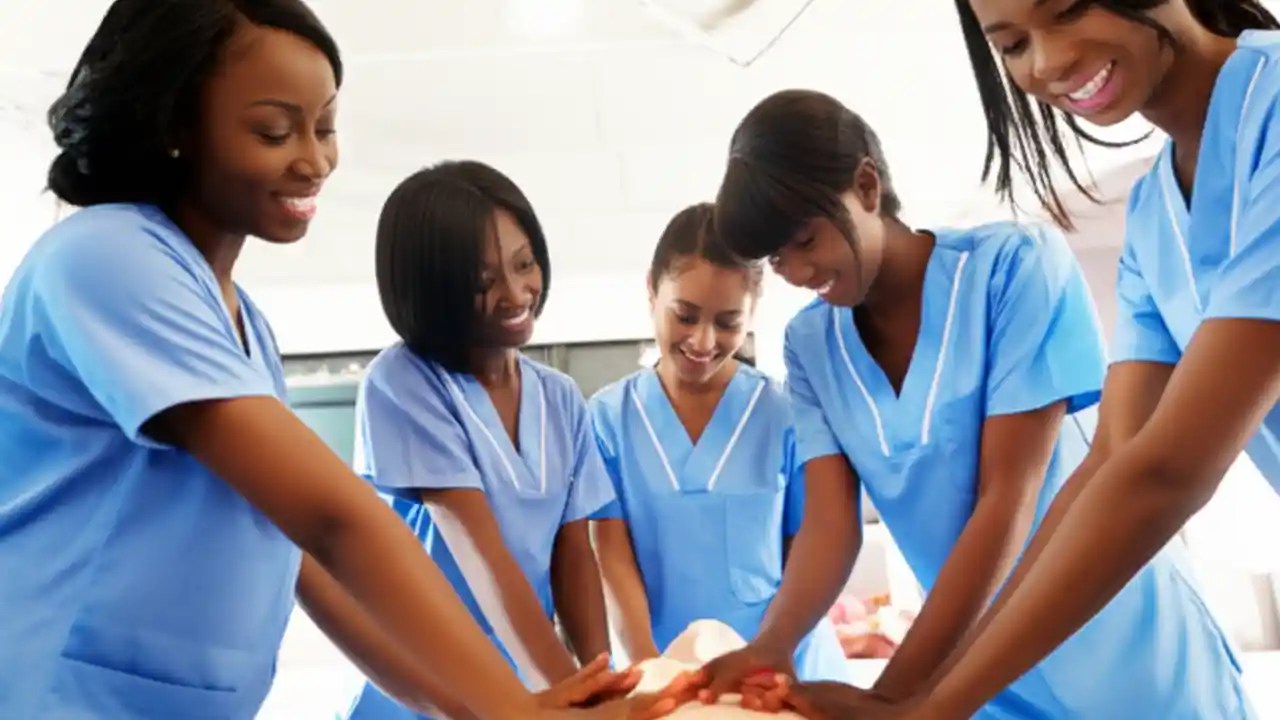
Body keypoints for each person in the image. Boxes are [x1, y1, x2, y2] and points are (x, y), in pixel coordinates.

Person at [0, 2, 686, 718]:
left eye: (325, 127)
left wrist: (499, 709)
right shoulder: (106, 255)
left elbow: (308, 560)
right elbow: (336, 521)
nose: (316, 159)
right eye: (274, 130)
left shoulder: (245, 328)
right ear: (174, 125)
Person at [689, 88, 1257, 719]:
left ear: (867, 187)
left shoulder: (1014, 269)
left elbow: (1006, 499)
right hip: (971, 664)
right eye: (776, 258)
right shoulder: (810, 345)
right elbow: (830, 523)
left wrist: (894, 694)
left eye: (804, 240)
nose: (796, 272)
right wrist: (773, 645)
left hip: (1115, 639)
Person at [833, 2, 1280, 717]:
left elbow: (1167, 472)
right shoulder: (1154, 212)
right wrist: (927, 694)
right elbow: (1110, 461)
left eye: (1068, 10)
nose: (1044, 63)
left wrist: (932, 708)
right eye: (1011, 45)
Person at [344, 160, 630, 719]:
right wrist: (569, 697)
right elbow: (482, 554)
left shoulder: (560, 398)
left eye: (525, 264)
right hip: (432, 687)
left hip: (538, 680)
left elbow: (572, 555)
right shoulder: (404, 383)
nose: (515, 292)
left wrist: (598, 680)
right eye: (483, 281)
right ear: (431, 290)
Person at [587, 203, 851, 683]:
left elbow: (809, 552)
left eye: (728, 322)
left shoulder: (786, 414)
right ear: (651, 289)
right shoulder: (608, 420)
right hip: (662, 668)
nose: (703, 341)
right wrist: (651, 669)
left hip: (780, 669)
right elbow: (613, 557)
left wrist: (776, 652)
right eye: (685, 315)